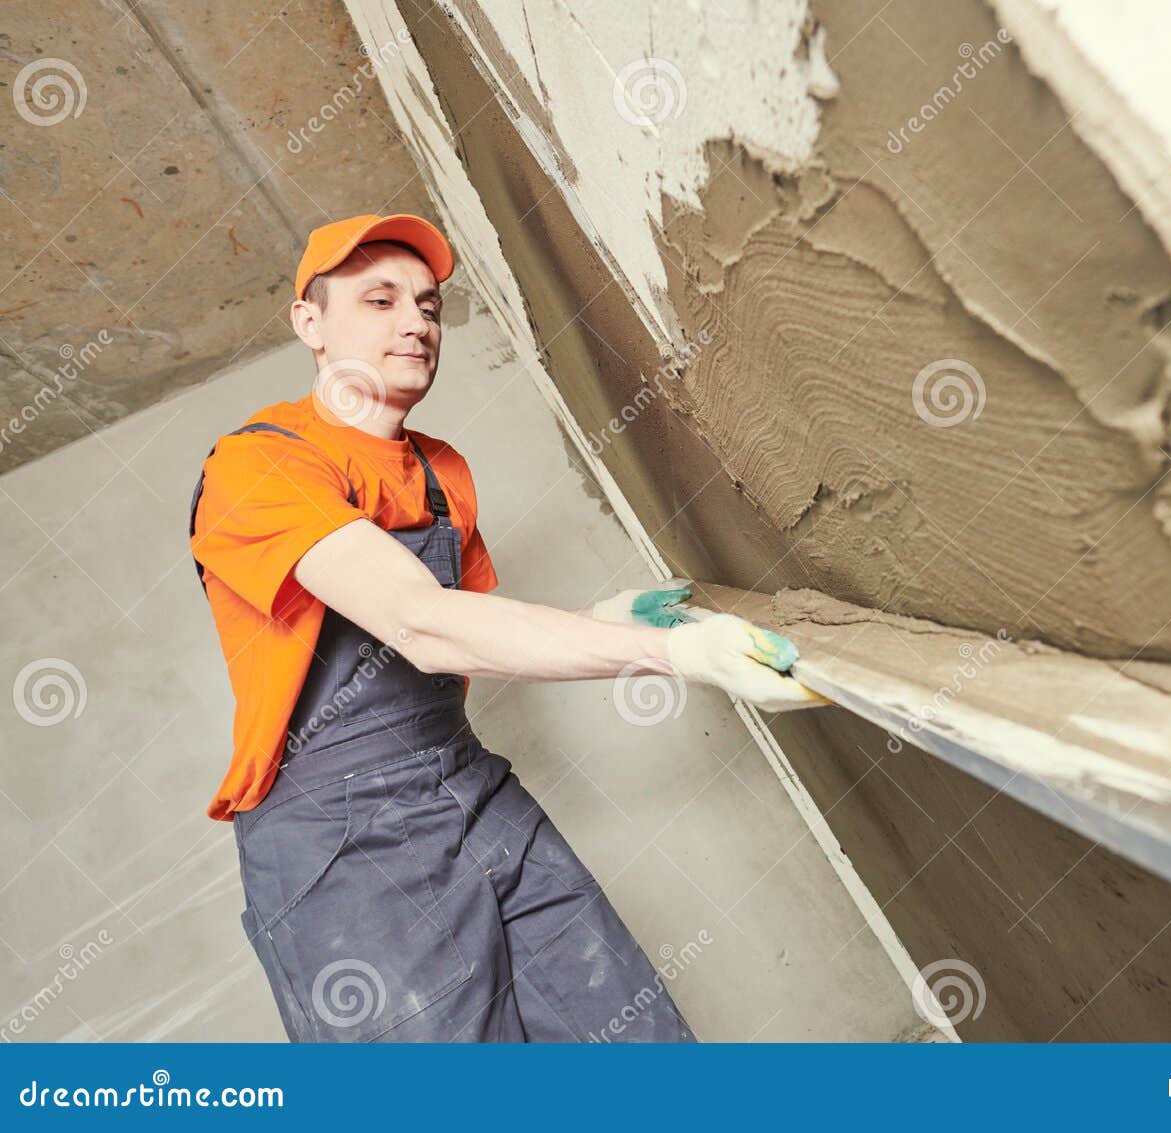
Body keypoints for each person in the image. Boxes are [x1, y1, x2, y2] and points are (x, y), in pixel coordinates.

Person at [188, 213, 822, 1042]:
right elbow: (421, 623)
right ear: (310, 322)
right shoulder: (259, 462)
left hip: (468, 786)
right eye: (379, 299)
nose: (415, 321)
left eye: (428, 304)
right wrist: (672, 655)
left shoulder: (440, 471)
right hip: (343, 845)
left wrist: (603, 619)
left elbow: (471, 635)